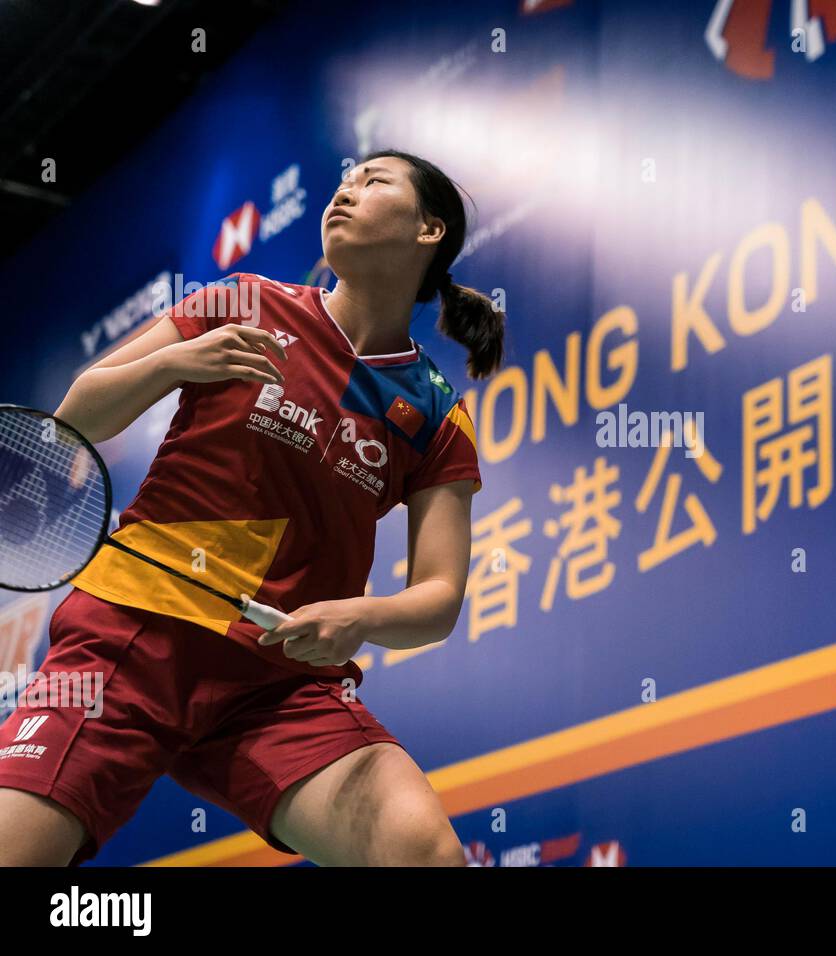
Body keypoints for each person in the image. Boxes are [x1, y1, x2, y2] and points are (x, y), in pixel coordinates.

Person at [0, 149, 505, 866]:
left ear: (428, 230)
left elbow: (439, 597)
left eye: (373, 182)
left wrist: (357, 618)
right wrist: (174, 362)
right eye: (342, 181)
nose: (345, 191)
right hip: (132, 636)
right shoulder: (246, 302)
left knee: (424, 855)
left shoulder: (434, 415)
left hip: (277, 684)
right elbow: (76, 418)